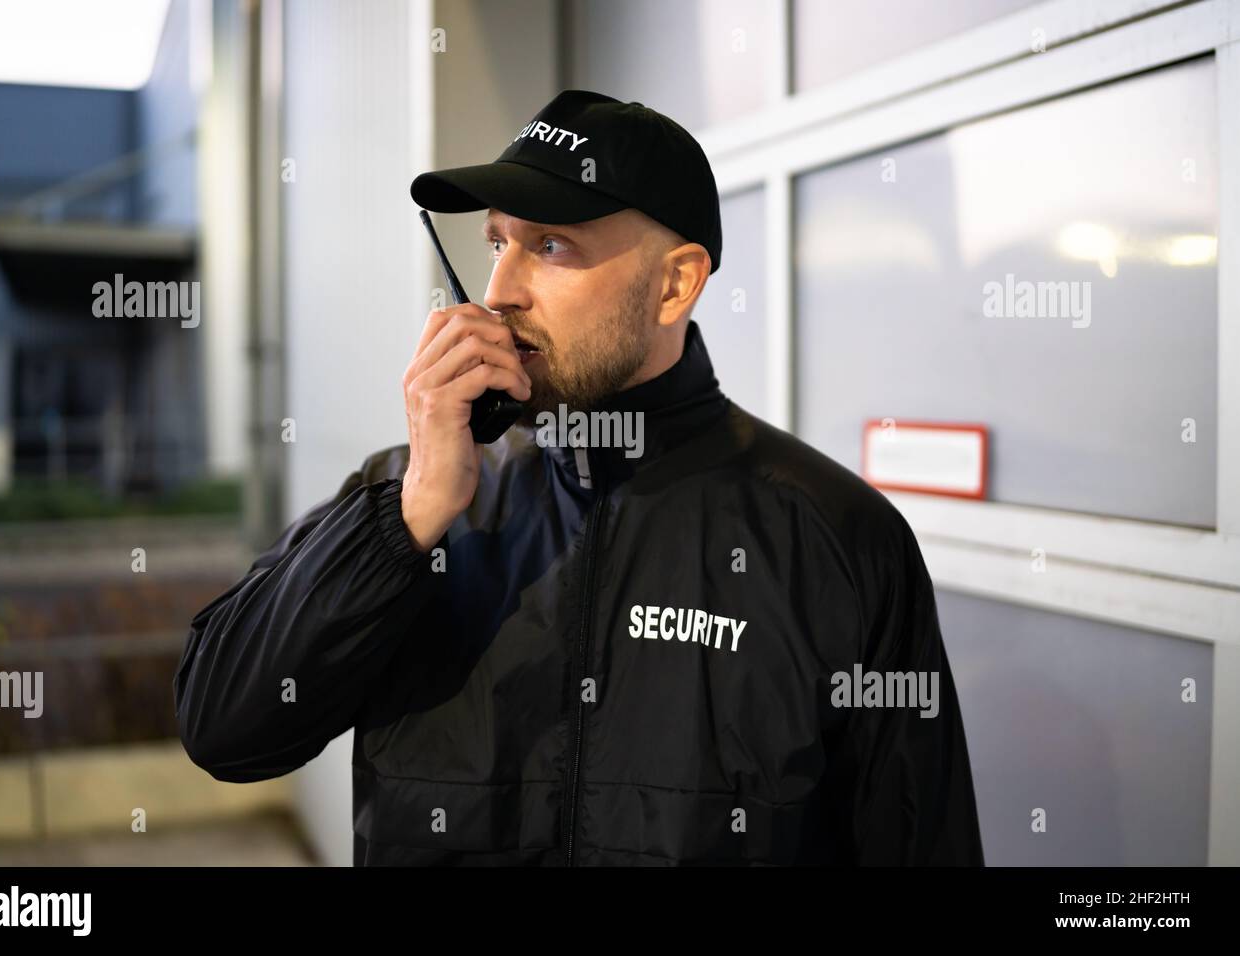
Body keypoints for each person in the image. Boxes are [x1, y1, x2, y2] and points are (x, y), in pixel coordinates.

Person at [174, 89, 984, 866]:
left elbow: (919, 840)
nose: (499, 293)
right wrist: (412, 515)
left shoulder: (833, 536)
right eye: (498, 243)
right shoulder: (406, 499)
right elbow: (223, 731)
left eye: (551, 246)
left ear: (675, 284)